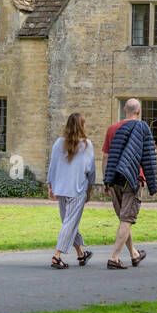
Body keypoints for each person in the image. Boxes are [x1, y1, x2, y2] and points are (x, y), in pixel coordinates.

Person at [101, 98, 157, 269]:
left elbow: (105, 157)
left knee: (124, 219)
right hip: (133, 179)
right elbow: (149, 156)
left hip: (114, 178)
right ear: (138, 112)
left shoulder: (112, 129)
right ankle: (114, 258)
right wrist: (152, 182)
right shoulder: (142, 129)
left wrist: (106, 180)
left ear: (124, 110)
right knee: (127, 219)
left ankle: (134, 254)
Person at [46, 112, 95, 269]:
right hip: (77, 189)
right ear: (82, 126)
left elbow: (52, 166)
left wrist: (50, 185)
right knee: (69, 223)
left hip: (61, 188)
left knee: (69, 223)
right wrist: (89, 190)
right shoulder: (86, 145)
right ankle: (56, 256)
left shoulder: (58, 143)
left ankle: (81, 254)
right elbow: (91, 171)